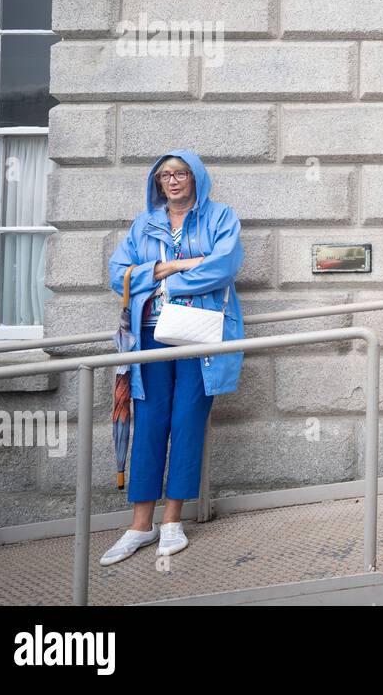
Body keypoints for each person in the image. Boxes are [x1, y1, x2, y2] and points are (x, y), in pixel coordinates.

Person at [102, 149, 245, 564]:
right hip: (150, 336)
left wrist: (170, 277)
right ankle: (139, 526)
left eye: (180, 173)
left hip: (200, 334)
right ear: (157, 182)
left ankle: (172, 522)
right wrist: (167, 269)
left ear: (195, 177)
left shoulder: (220, 218)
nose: (173, 180)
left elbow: (225, 265)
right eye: (165, 175)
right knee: (149, 420)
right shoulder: (143, 224)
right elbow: (118, 274)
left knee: (187, 419)